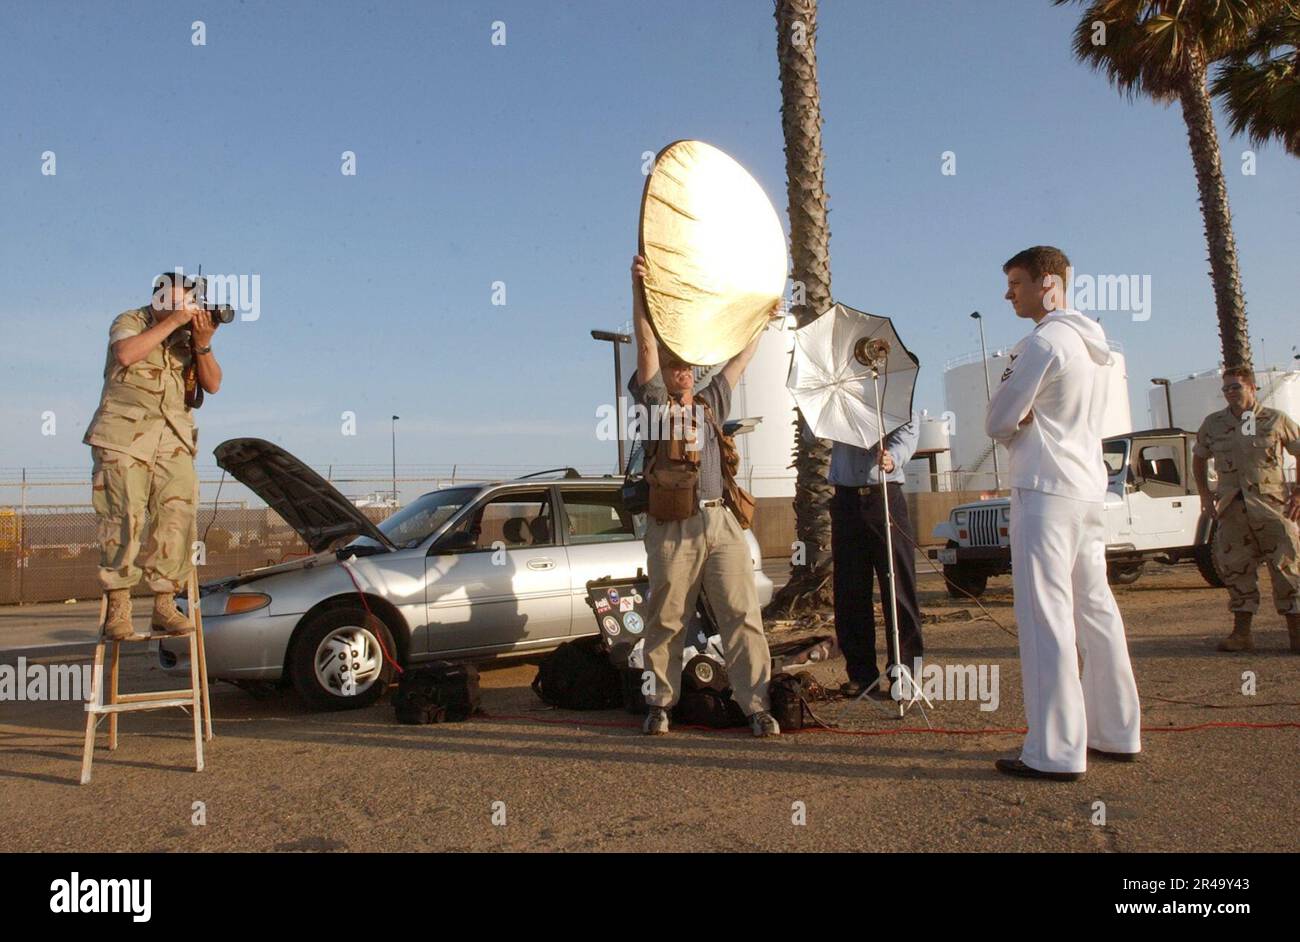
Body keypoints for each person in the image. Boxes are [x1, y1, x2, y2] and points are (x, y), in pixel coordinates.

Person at [986, 246, 1140, 781]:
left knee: (1045, 615)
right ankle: (1116, 731)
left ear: (1047, 283)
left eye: (1017, 283)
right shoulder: (1096, 346)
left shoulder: (1044, 341)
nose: (1009, 294)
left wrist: (1020, 420)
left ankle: (1054, 750)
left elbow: (999, 419)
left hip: (1045, 488)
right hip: (1088, 487)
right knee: (1095, 608)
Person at [627, 254, 779, 737]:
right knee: (666, 620)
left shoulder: (713, 402)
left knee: (742, 615)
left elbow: (740, 360)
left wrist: (763, 320)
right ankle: (660, 704)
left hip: (722, 523)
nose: (684, 373)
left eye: (689, 367)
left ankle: (757, 706)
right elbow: (646, 341)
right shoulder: (654, 404)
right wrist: (640, 290)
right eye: (676, 368)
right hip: (673, 525)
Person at [84, 271, 223, 639]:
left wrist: (203, 343)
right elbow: (127, 354)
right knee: (123, 517)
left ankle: (164, 602)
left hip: (173, 439)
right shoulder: (131, 321)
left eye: (186, 301)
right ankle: (119, 604)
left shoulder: (188, 338)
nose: (181, 308)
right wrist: (176, 320)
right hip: (124, 436)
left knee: (178, 516)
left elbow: (212, 384)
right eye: (174, 301)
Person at [1192, 366, 1300, 653]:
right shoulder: (1214, 424)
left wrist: (1298, 492)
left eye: (1235, 387)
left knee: (1287, 567)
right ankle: (1242, 635)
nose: (1229, 393)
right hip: (1233, 509)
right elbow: (1199, 458)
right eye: (1225, 388)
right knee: (1236, 569)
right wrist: (1205, 495)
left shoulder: (1276, 420)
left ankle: (1296, 634)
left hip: (1273, 508)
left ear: (1252, 388)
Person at [822, 414, 924, 700]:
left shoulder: (892, 384)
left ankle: (904, 672)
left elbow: (908, 428)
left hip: (884, 496)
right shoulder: (837, 397)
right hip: (845, 500)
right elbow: (811, 435)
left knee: (898, 587)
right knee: (850, 591)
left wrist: (894, 457)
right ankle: (861, 674)